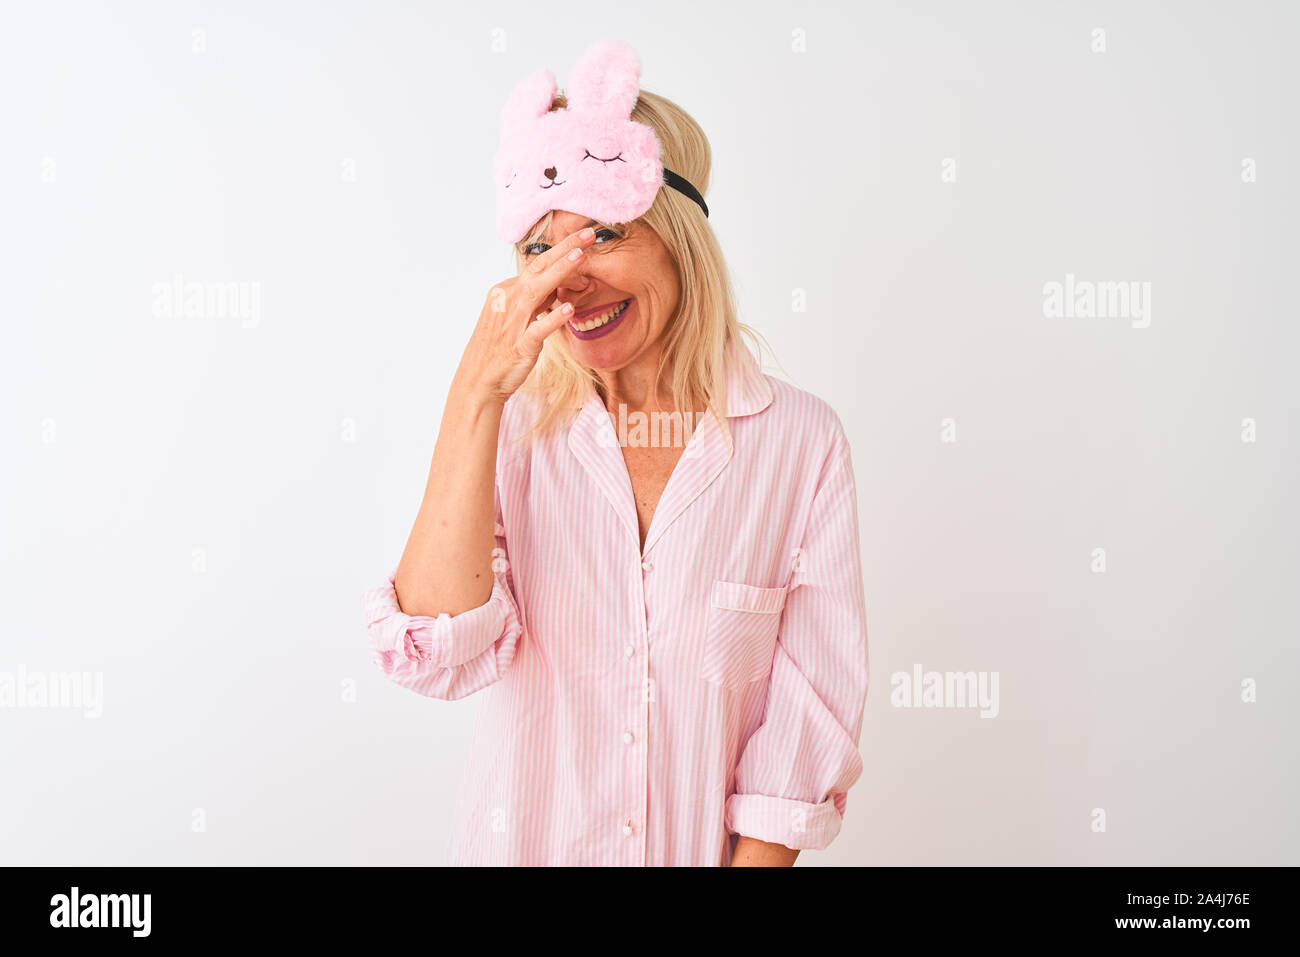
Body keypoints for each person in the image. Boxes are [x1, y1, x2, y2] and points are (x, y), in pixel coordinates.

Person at [363, 39, 869, 866]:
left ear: (680, 241)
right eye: (541, 247)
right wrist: (475, 395)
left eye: (603, 233)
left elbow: (808, 714)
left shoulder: (799, 443)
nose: (568, 278)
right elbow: (435, 648)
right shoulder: (512, 432)